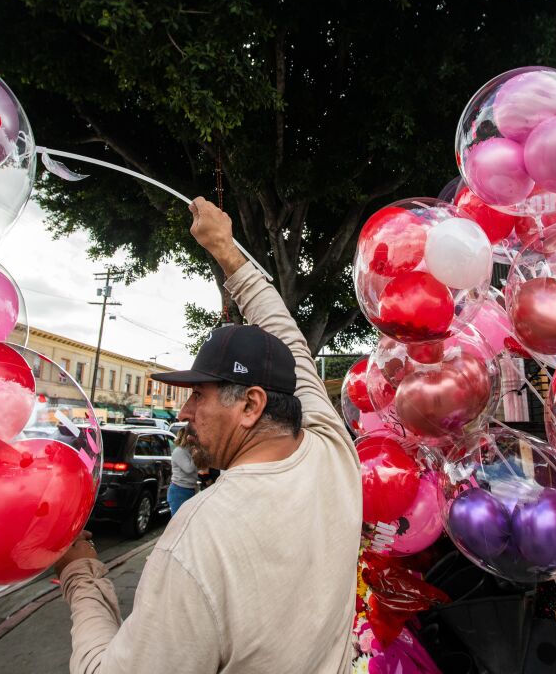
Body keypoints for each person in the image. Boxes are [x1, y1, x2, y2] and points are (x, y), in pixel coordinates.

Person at [55, 197, 361, 673]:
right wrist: (225, 250)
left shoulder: (200, 536)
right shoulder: (333, 450)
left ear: (251, 405)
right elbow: (288, 338)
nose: (184, 410)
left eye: (198, 394)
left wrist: (80, 574)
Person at [167, 429, 199, 514]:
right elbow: (189, 469)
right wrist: (194, 455)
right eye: (193, 436)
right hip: (179, 490)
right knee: (178, 522)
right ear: (187, 437)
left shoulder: (188, 450)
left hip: (189, 488)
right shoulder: (179, 451)